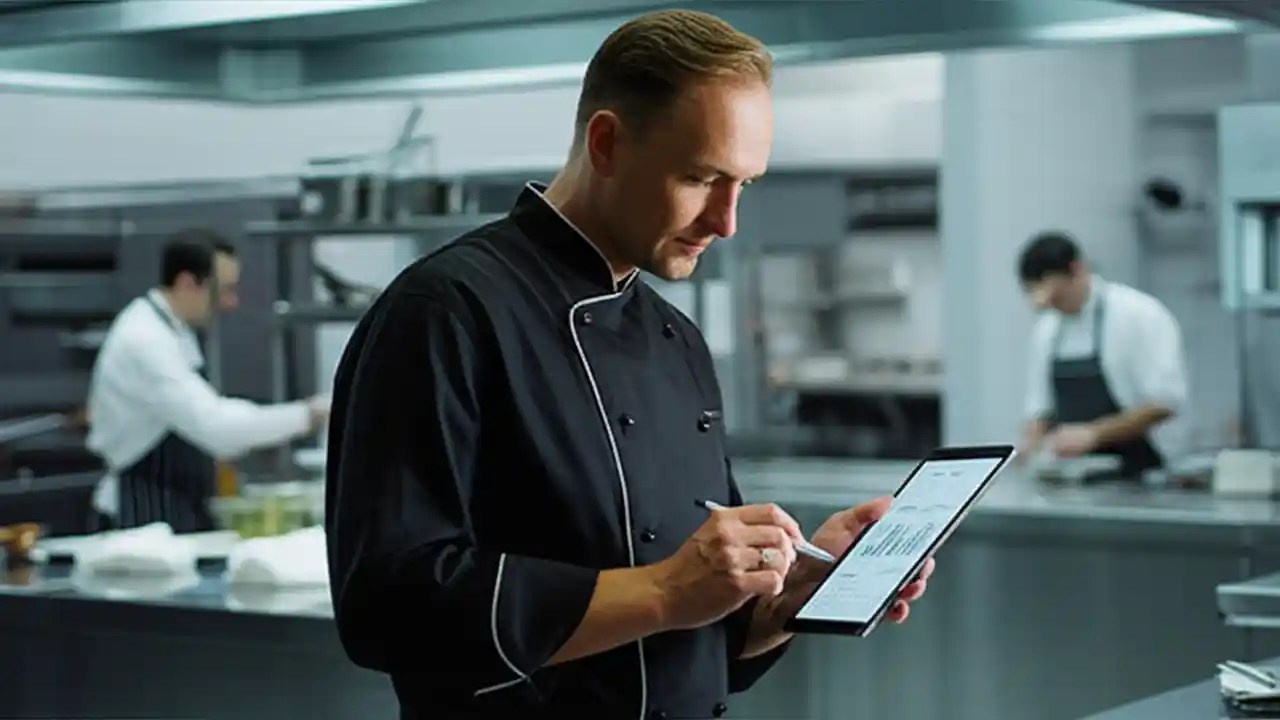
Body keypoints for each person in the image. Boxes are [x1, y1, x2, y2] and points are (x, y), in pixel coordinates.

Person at [324, 10, 934, 718]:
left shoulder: (677, 339)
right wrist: (666, 590)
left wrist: (787, 595)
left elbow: (689, 645)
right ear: (607, 142)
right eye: (701, 177)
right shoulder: (446, 311)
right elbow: (388, 606)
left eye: (746, 184)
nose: (727, 222)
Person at [86, 230, 329, 532]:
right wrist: (308, 415)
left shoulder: (171, 329)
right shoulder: (144, 340)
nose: (231, 302)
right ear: (188, 283)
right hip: (138, 511)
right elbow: (217, 428)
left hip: (168, 505)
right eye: (224, 289)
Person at [1016, 231, 1189, 478]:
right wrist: (1028, 447)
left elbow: (1166, 402)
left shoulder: (1139, 314)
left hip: (1146, 473)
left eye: (1057, 296)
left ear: (1076, 270)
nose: (1053, 306)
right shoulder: (1048, 329)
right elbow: (1039, 409)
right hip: (1074, 477)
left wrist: (1093, 434)